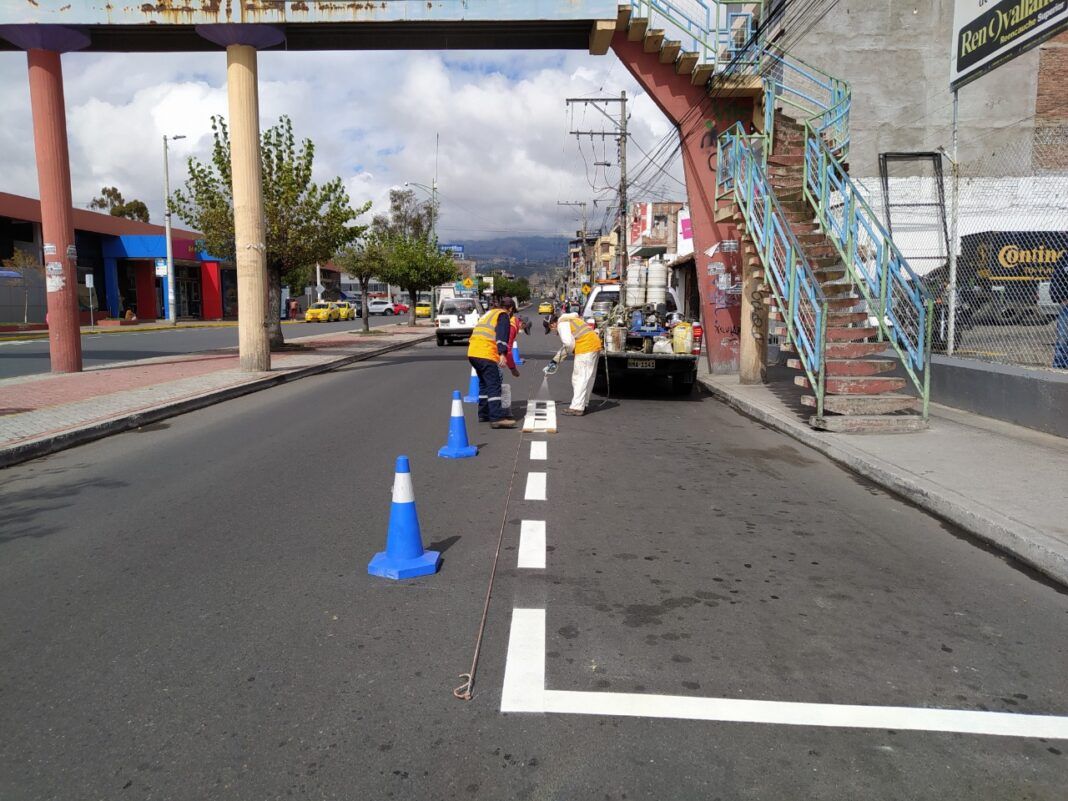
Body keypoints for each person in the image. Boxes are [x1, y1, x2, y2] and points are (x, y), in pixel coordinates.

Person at [467, 297, 518, 428]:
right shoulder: (503, 315)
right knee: (494, 384)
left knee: (484, 384)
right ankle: (496, 418)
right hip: (486, 353)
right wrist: (502, 354)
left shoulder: (489, 313)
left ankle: (483, 414)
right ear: (511, 309)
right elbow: (501, 336)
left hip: (473, 352)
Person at [545, 311, 603, 416]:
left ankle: (577, 407)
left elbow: (568, 344)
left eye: (551, 329)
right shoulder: (572, 319)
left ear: (552, 324)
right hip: (595, 345)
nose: (554, 331)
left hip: (585, 348)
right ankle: (583, 404)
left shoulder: (562, 324)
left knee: (579, 378)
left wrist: (556, 360)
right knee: (588, 377)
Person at [1052, 251, 1068, 369]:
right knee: (1063, 338)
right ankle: (1060, 367)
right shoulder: (1063, 260)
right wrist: (1061, 298)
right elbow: (1056, 283)